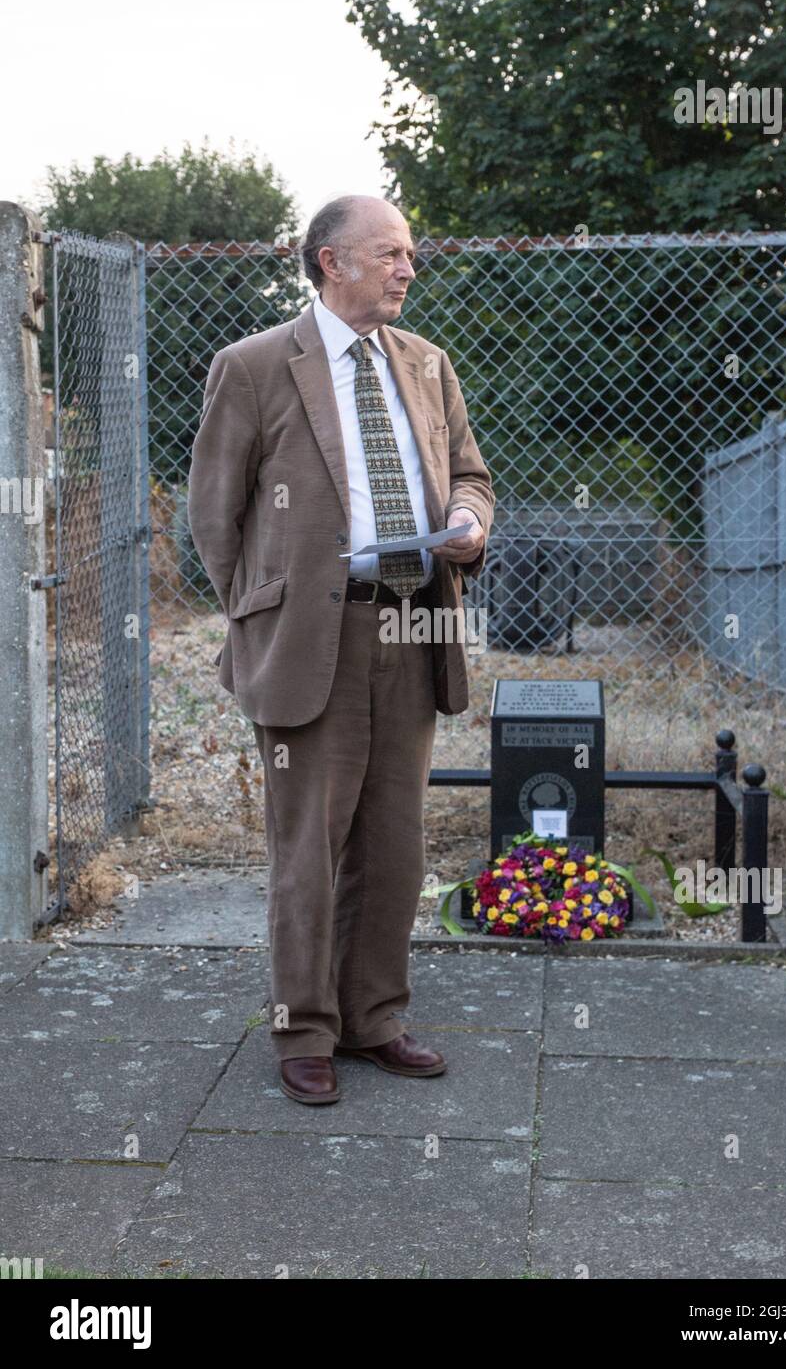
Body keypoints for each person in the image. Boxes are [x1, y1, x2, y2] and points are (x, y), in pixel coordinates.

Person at [188, 194, 495, 1104]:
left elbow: (472, 473)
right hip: (312, 637)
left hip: (416, 622)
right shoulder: (252, 367)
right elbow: (213, 513)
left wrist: (470, 518)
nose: (408, 268)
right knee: (308, 848)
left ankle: (374, 1020)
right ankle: (303, 1029)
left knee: (393, 844)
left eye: (409, 255)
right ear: (330, 261)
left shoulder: (429, 365)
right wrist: (262, 613)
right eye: (391, 253)